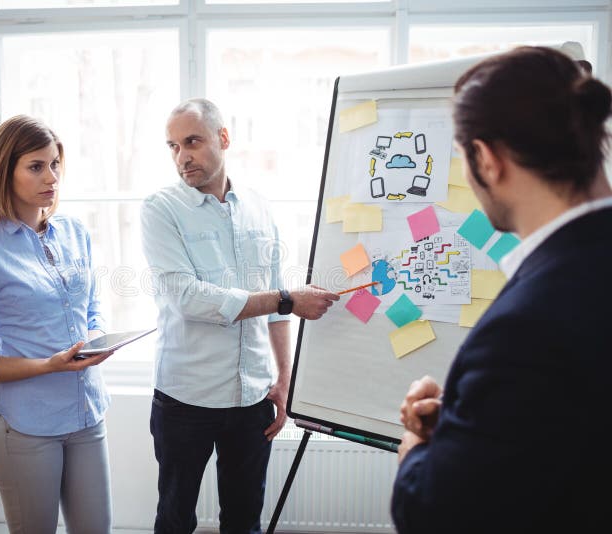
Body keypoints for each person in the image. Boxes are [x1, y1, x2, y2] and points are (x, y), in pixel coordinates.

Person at [391, 46, 612, 534]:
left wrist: (420, 449)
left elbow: (434, 513)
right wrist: (473, 419)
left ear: (486, 160)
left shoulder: (526, 327)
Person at [140, 98, 340, 534]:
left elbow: (278, 311)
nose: (182, 156)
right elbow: (190, 299)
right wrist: (286, 298)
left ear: (223, 138)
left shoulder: (258, 207)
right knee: (175, 519)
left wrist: (285, 380)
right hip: (184, 399)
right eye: (172, 146)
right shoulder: (161, 209)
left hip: (253, 398)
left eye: (192, 141)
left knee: (245, 519)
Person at [0, 115, 113, 534]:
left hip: (88, 414)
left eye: (55, 164)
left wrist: (97, 338)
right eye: (36, 166)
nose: (51, 176)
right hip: (25, 428)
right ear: (6, 170)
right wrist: (48, 365)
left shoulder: (75, 232)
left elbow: (92, 306)